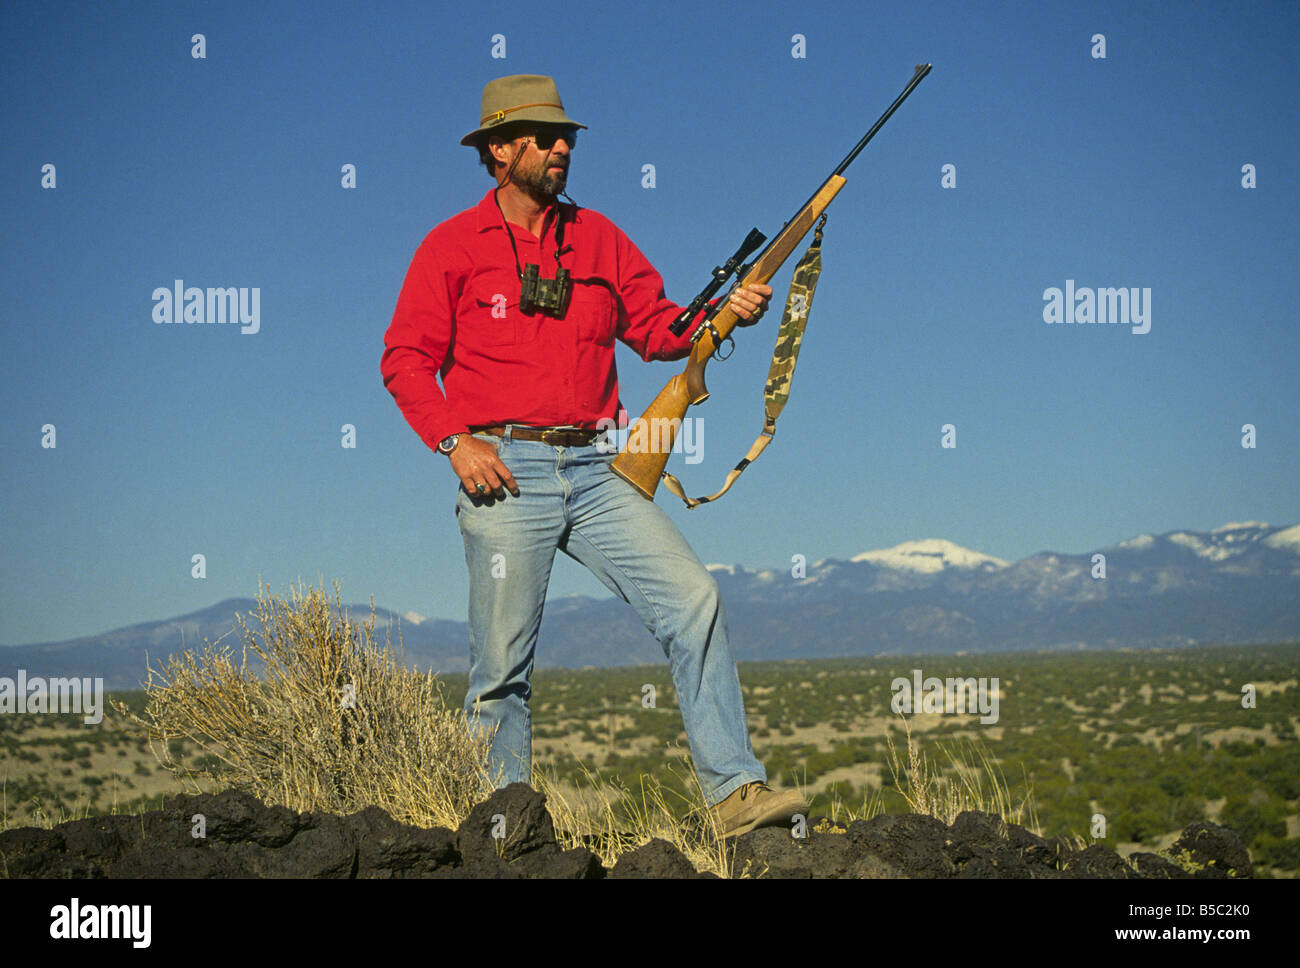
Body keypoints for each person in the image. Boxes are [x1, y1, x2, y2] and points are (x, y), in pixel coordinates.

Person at [381, 74, 808, 837]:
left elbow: (661, 331)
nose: (561, 147)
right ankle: (501, 831)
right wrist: (455, 441)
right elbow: (405, 357)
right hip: (505, 473)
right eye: (543, 137)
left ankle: (735, 796)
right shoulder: (451, 246)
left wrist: (728, 309)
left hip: (599, 470)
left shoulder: (600, 237)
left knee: (693, 602)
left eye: (566, 136)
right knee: (502, 673)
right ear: (499, 150)